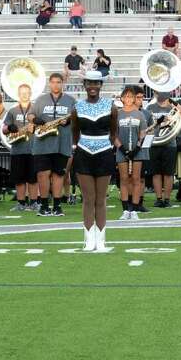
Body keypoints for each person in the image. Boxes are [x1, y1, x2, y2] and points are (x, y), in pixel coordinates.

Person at [70, 71, 117, 251]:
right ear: (84, 85)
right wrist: (76, 148)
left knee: (101, 199)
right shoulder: (77, 107)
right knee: (88, 199)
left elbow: (114, 132)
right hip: (84, 153)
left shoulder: (111, 106)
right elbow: (74, 131)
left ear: (101, 85)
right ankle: (89, 239)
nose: (93, 86)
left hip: (104, 153)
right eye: (89, 83)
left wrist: (108, 146)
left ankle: (101, 240)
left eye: (96, 83)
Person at [30, 73, 77, 217]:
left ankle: (57, 205)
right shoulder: (41, 99)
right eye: (53, 82)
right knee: (43, 174)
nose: (56, 85)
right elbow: (30, 115)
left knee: (58, 175)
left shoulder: (71, 100)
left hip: (62, 143)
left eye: (58, 82)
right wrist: (36, 120)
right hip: (42, 143)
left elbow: (77, 120)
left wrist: (69, 121)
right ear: (49, 84)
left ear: (62, 84)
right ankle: (44, 205)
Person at [146, 90, 181, 207]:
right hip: (155, 143)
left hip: (170, 144)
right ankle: (159, 199)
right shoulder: (150, 107)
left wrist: (173, 102)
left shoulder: (173, 106)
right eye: (157, 92)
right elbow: (146, 125)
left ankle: (167, 200)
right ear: (155, 93)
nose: (160, 94)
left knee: (169, 173)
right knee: (156, 173)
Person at [115, 85, 152, 219]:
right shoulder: (117, 114)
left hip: (137, 151)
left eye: (131, 96)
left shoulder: (139, 114)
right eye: (126, 96)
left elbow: (143, 133)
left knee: (136, 179)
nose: (129, 99)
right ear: (122, 98)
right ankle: (125, 210)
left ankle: (135, 209)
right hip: (122, 151)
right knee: (124, 179)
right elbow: (114, 135)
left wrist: (137, 148)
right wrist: (122, 149)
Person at [2, 83, 39, 212]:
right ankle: (21, 203)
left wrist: (35, 127)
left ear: (30, 94)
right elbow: (4, 129)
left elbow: (42, 127)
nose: (24, 95)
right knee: (19, 179)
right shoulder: (12, 111)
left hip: (33, 149)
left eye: (26, 92)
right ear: (18, 94)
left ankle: (34, 202)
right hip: (17, 149)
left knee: (33, 179)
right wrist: (9, 128)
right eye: (22, 93)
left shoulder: (36, 109)